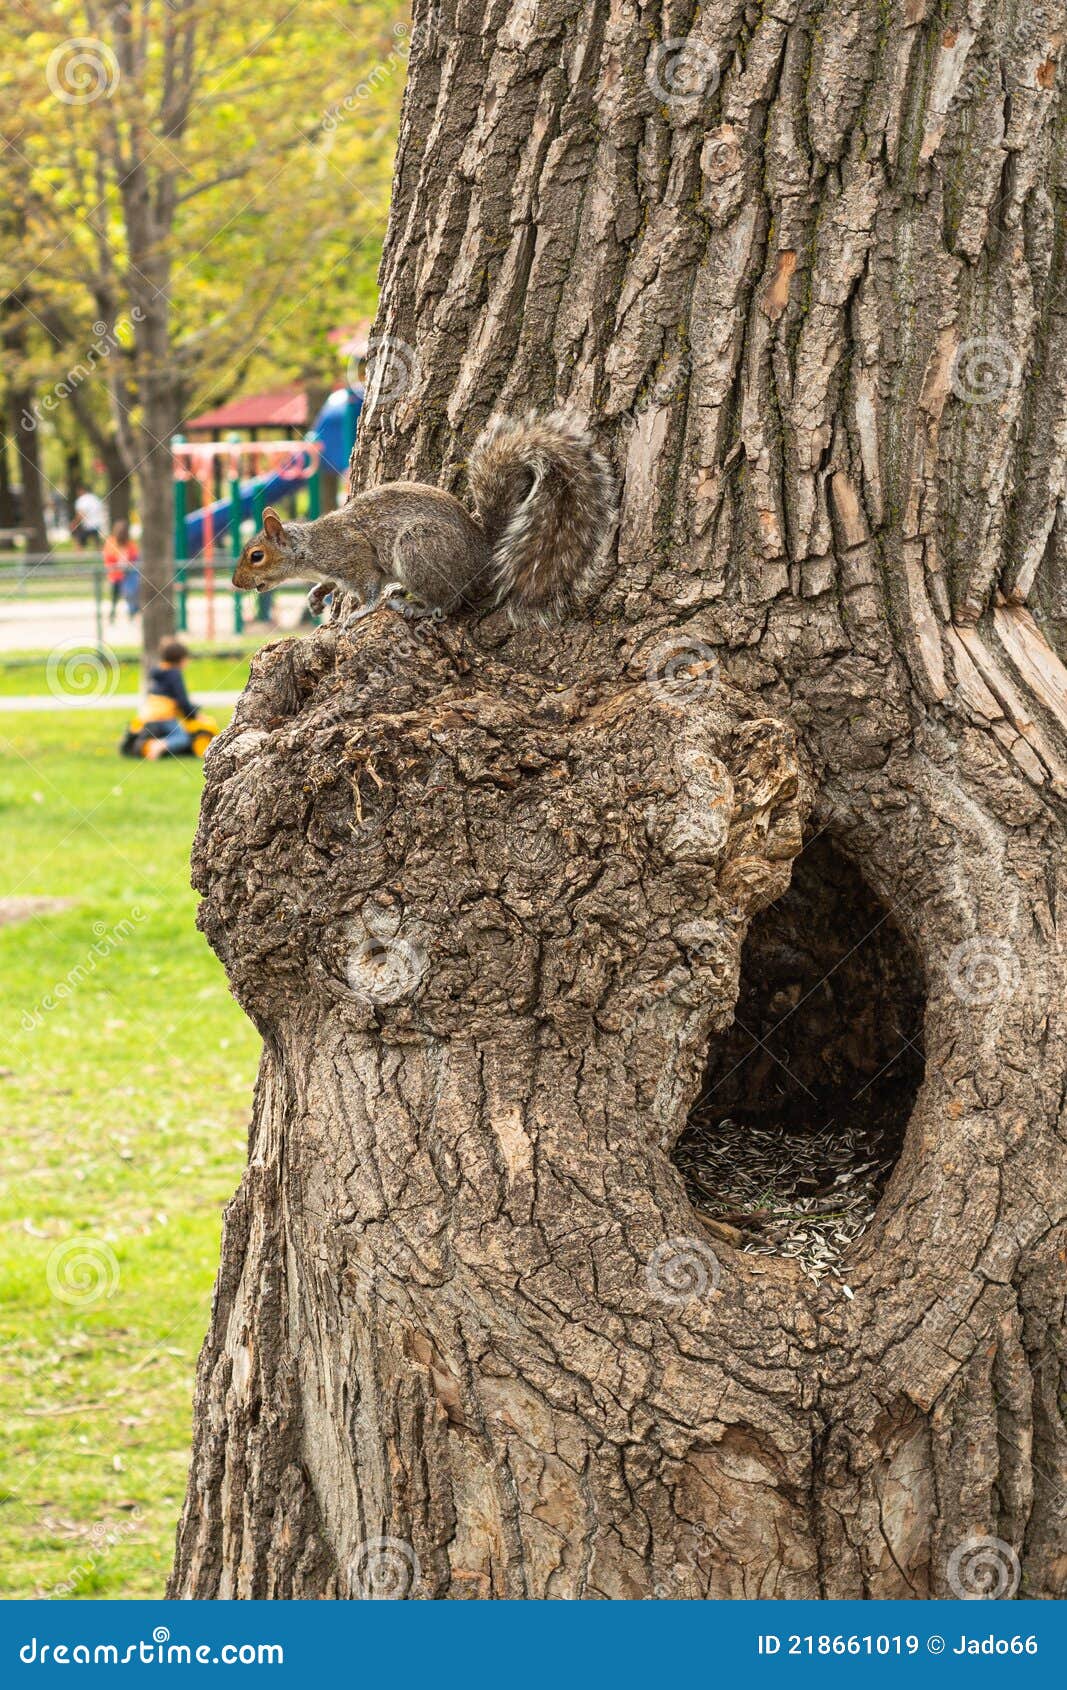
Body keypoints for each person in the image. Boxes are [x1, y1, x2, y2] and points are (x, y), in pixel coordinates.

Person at [141, 638, 197, 759]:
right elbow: (182, 699)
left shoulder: (159, 672)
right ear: (180, 659)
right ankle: (157, 746)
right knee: (183, 738)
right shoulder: (174, 674)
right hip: (164, 715)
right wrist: (192, 713)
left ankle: (149, 744)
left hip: (149, 714)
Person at [102, 520, 137, 621]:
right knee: (115, 595)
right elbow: (108, 558)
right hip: (115, 575)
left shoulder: (130, 544)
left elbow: (134, 557)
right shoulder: (111, 542)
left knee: (130, 594)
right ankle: (113, 613)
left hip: (128, 574)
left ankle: (132, 612)